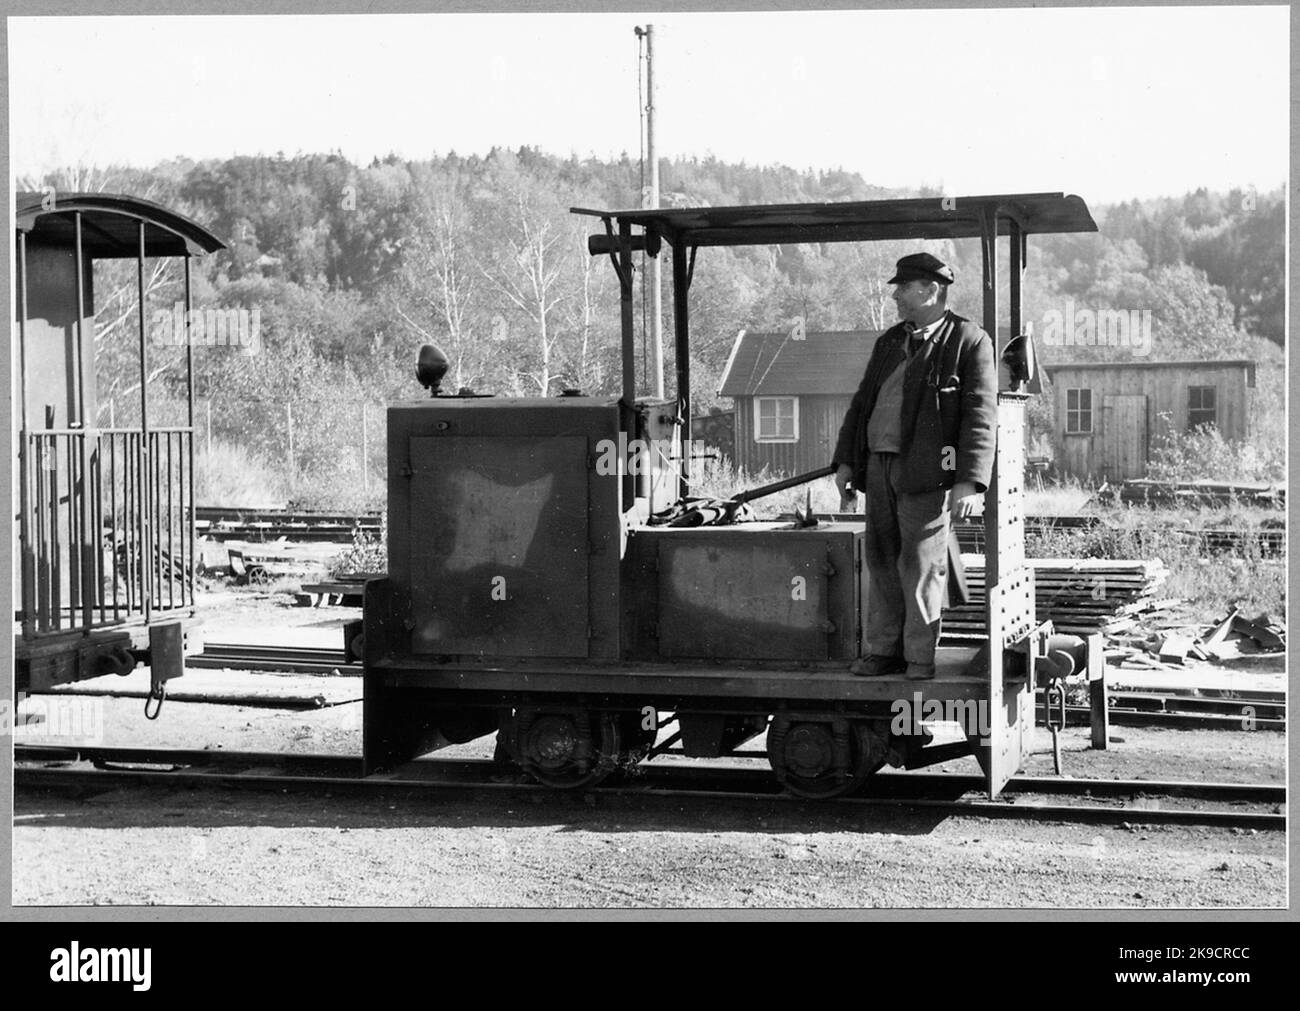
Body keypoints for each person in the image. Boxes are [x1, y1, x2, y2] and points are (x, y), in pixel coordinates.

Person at [831, 252, 997, 680]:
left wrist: (969, 483)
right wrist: (847, 461)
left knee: (922, 565)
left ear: (931, 290)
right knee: (881, 559)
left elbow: (980, 416)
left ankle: (919, 658)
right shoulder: (889, 341)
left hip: (927, 474)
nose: (896, 296)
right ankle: (884, 652)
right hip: (878, 469)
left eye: (904, 288)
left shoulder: (969, 341)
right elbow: (861, 403)